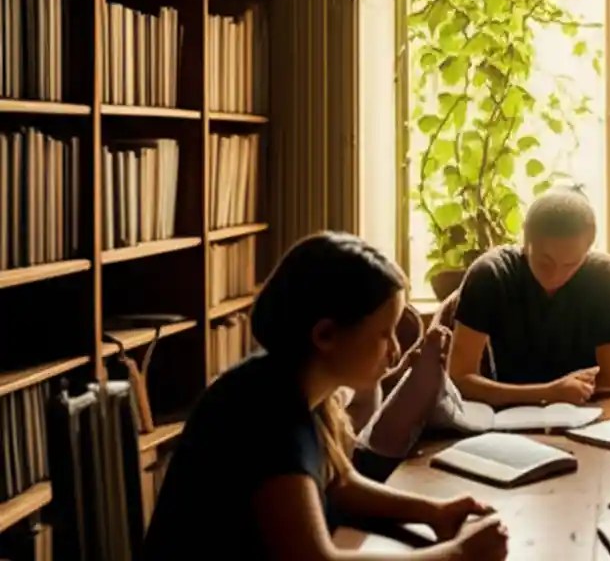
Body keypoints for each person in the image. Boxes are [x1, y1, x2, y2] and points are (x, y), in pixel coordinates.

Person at [143, 231, 509, 561]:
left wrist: (435, 511)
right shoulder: (267, 415)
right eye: (384, 335)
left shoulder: (296, 386)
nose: (396, 352)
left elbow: (341, 484)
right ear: (325, 336)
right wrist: (456, 555)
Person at [447, 188, 610, 406]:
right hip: (509, 417)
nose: (556, 276)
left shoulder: (608, 280)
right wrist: (549, 392)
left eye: (571, 264)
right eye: (545, 262)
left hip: (586, 411)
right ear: (526, 240)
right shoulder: (491, 275)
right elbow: (459, 378)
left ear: (589, 246)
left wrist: (561, 393)